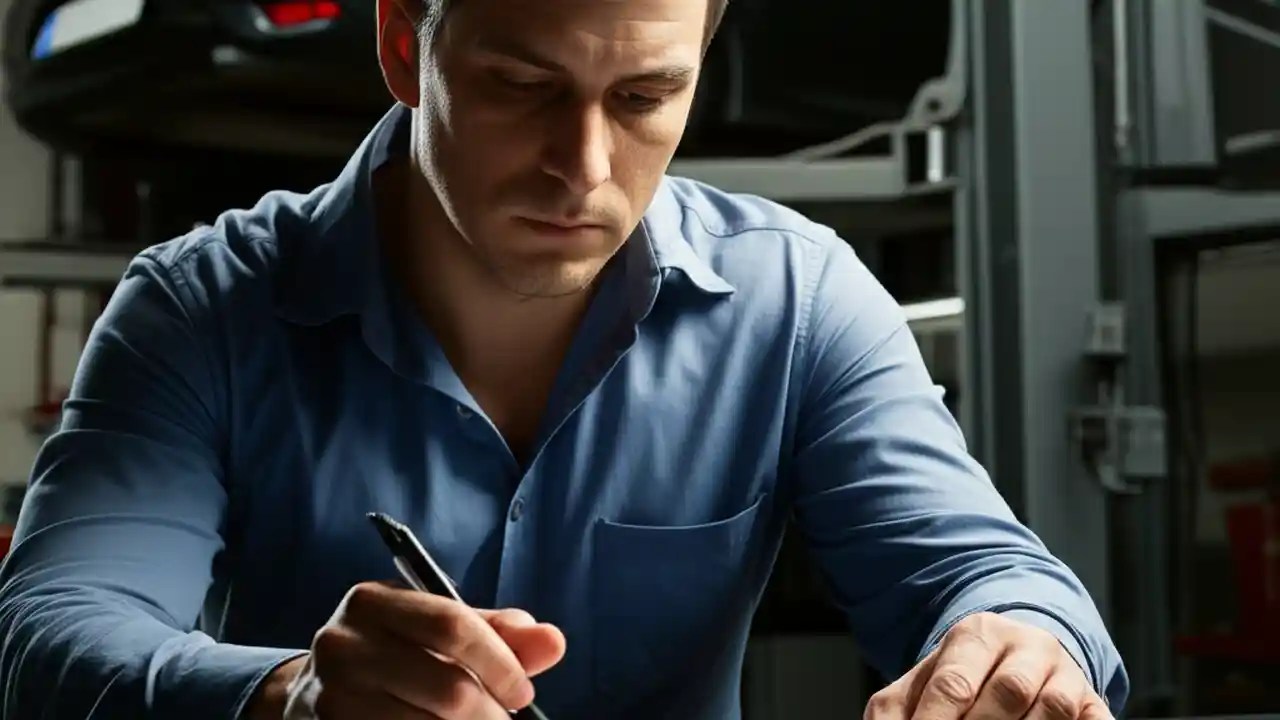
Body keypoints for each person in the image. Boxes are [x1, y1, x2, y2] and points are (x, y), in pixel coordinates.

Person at [0, 0, 1129, 718]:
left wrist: (1016, 644)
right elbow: (51, 640)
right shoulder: (199, 309)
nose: (582, 166)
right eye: (521, 88)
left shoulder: (798, 302)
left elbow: (985, 572)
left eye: (644, 96)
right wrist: (288, 697)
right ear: (406, 44)